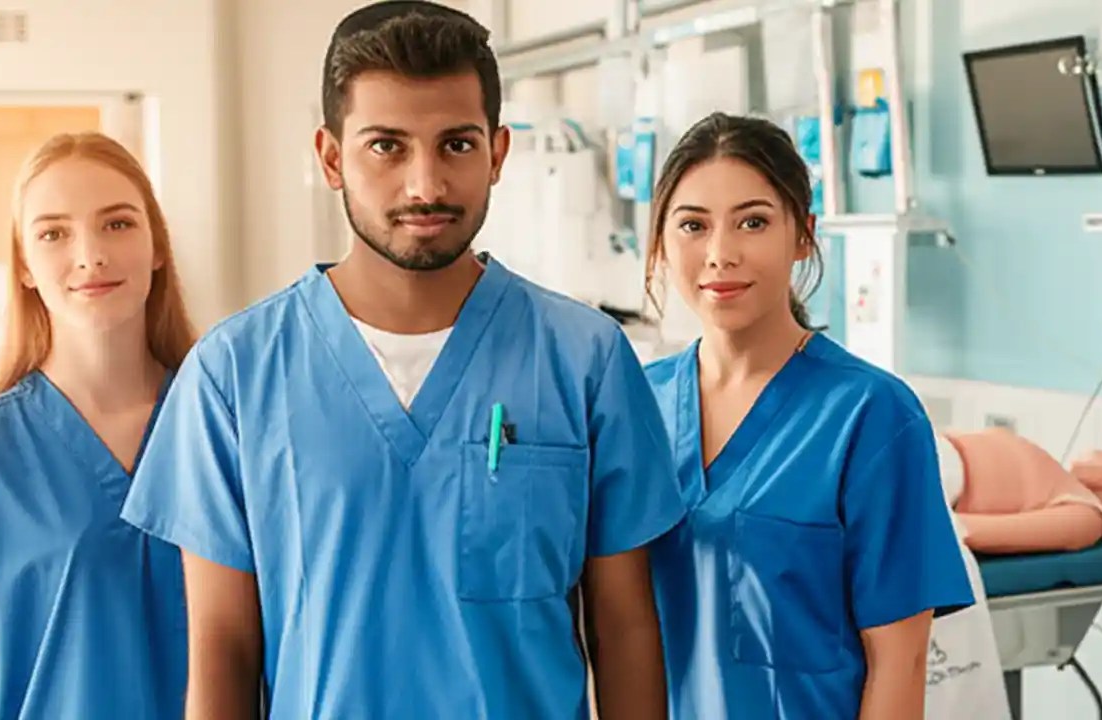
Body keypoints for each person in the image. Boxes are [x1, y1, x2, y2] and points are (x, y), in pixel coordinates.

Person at [120, 2, 685, 719]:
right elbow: (224, 647)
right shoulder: (234, 374)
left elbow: (625, 629)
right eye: (387, 146)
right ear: (330, 157)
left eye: (455, 144)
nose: (425, 185)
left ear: (498, 152)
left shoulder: (585, 360)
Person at [641, 113, 974, 719]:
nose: (720, 254)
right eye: (693, 225)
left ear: (803, 235)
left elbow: (899, 665)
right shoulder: (634, 407)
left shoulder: (871, 417)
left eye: (754, 222)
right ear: (662, 242)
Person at [0, 131, 197, 718]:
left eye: (118, 224)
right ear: (25, 265)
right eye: (54, 233)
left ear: (159, 244)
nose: (90, 255)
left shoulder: (227, 431)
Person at [937, 428, 1102, 554]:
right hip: (935, 455)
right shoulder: (1052, 472)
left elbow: (978, 531)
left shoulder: (1089, 515)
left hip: (940, 475)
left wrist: (931, 528)